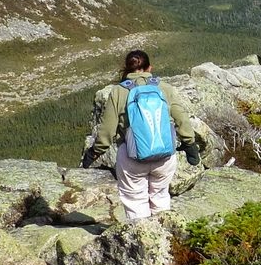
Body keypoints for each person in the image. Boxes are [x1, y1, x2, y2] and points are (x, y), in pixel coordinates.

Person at [83, 49, 201, 221]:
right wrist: (190, 145)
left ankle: (143, 240)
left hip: (132, 158)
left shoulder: (118, 92)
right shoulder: (164, 88)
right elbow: (182, 118)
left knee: (135, 201)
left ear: (127, 70)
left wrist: (94, 153)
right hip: (164, 156)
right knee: (160, 196)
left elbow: (107, 130)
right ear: (149, 68)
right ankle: (164, 236)